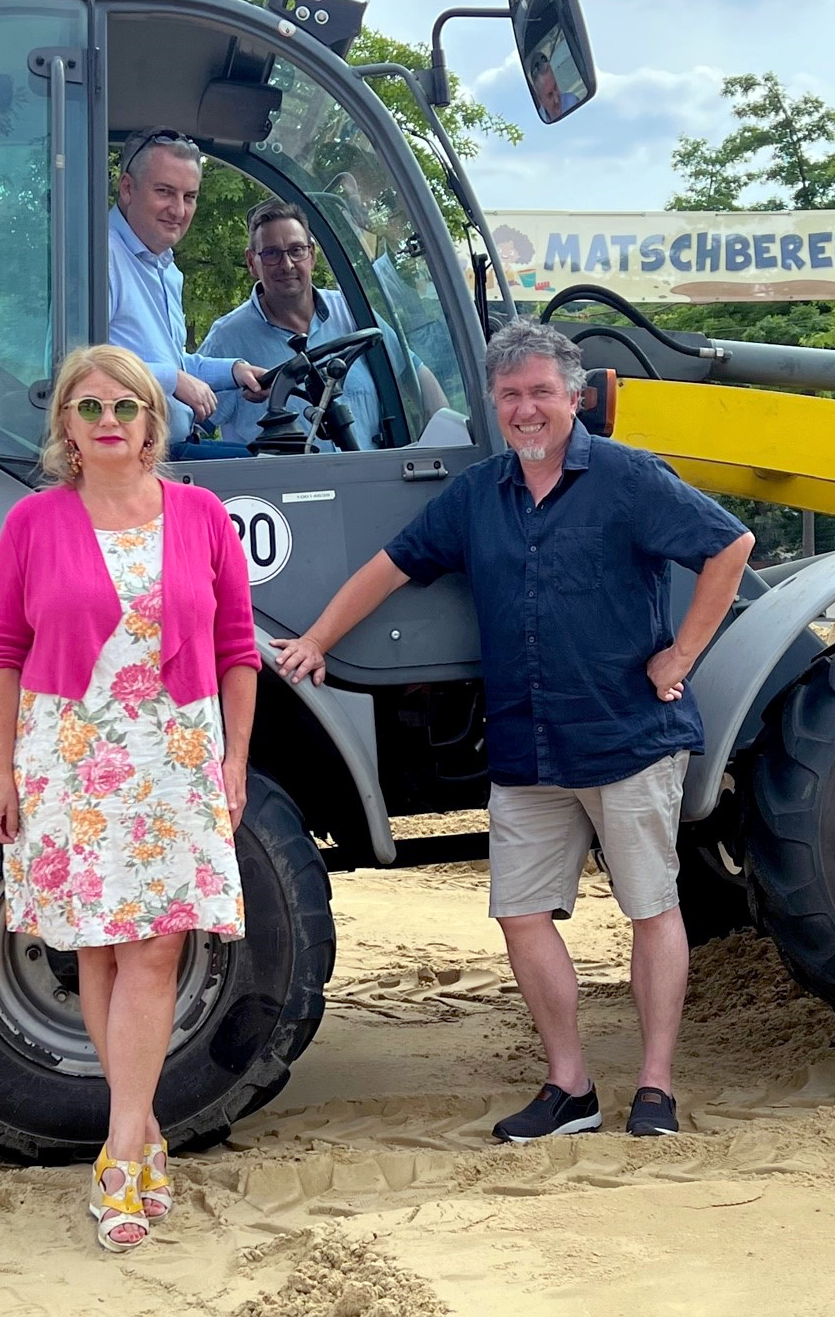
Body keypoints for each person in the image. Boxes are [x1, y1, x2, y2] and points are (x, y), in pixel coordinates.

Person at [272, 321, 754, 1141]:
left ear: (574, 396)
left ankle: (655, 1088)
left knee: (649, 906)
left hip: (627, 735)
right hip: (528, 744)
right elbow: (392, 565)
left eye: (540, 392)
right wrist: (316, 638)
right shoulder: (477, 494)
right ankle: (570, 1087)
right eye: (509, 396)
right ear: (492, 406)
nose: (526, 409)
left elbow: (730, 545)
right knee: (522, 913)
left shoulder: (629, 477)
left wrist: (681, 654)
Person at [0, 344, 260, 1251]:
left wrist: (235, 760)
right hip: (69, 756)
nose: (108, 421)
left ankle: (120, 1153)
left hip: (175, 756)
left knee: (157, 942)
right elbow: (1, 653)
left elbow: (238, 649)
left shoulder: (202, 514)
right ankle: (142, 1134)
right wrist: (0, 773)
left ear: (151, 421)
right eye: (90, 406)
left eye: (125, 406)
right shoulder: (32, 522)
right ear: (66, 424)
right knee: (97, 948)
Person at [198, 198, 448, 449]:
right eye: (272, 253)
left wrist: (447, 444)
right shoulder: (226, 340)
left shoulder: (354, 313)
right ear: (252, 262)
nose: (287, 265)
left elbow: (417, 379)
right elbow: (188, 425)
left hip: (372, 472)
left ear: (312, 255)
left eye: (296, 250)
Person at [108, 127, 269, 459]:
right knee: (276, 473)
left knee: (280, 461)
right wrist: (173, 380)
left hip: (171, 447)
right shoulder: (99, 256)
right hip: (127, 459)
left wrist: (235, 371)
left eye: (189, 197)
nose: (179, 211)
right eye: (165, 192)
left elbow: (175, 364)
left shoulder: (165, 268)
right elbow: (78, 365)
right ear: (127, 188)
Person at [528, 53, 579, 123]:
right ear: (540, 99)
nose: (556, 100)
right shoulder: (538, 123)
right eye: (550, 95)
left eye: (555, 88)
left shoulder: (573, 102)